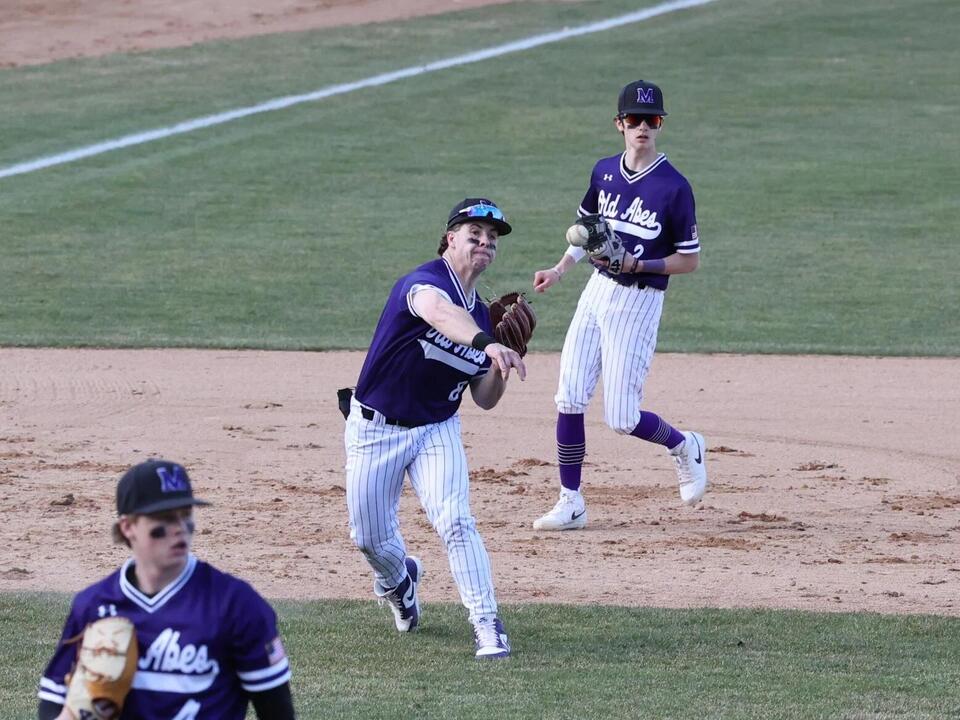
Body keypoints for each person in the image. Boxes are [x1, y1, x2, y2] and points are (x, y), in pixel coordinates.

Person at [344, 198, 525, 659]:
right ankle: (399, 581)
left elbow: (482, 399)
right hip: (376, 430)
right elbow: (438, 313)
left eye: (492, 238)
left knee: (456, 521)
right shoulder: (423, 283)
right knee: (367, 537)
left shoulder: (484, 316)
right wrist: (487, 343)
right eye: (474, 234)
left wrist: (501, 359)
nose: (485, 242)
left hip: (436, 429)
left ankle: (487, 624)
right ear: (450, 239)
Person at [531, 79, 708, 532]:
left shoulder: (674, 187)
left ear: (661, 125)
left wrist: (638, 262)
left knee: (623, 418)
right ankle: (571, 500)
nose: (643, 127)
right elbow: (586, 232)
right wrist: (558, 270)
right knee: (568, 396)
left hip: (638, 301)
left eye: (652, 120)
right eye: (634, 119)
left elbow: (689, 260)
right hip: (596, 290)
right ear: (619, 124)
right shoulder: (604, 172)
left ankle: (684, 444)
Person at [37, 459, 296, 720]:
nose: (179, 529)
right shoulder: (94, 605)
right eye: (165, 518)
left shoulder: (236, 604)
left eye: (185, 515)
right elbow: (51, 703)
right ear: (128, 527)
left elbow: (277, 710)